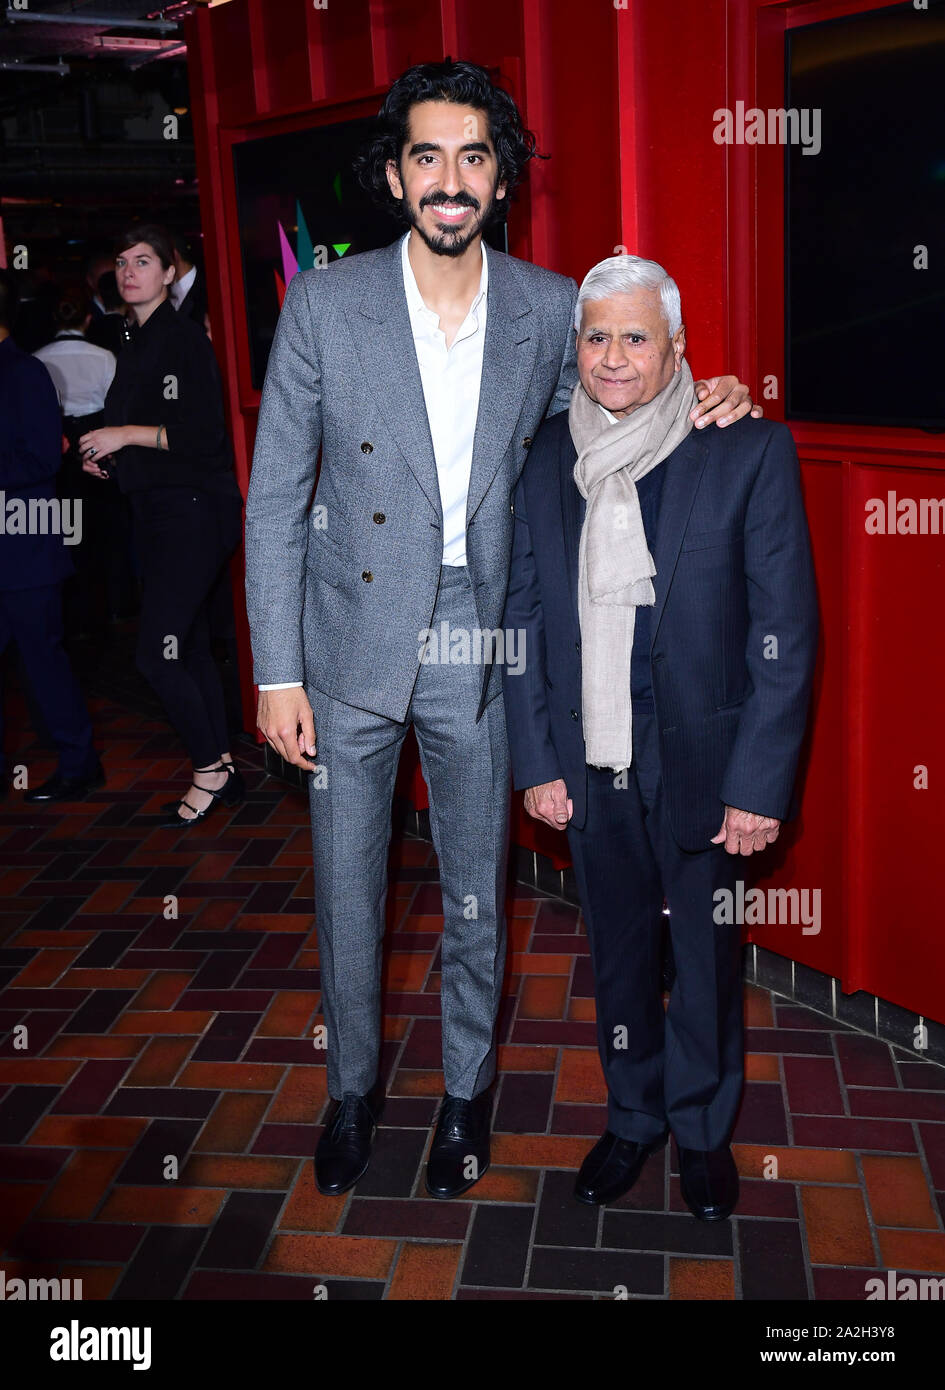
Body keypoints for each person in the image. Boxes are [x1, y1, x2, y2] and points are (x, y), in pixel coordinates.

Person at [244, 58, 759, 1202]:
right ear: (395, 175)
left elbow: (623, 399)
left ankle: (466, 1096)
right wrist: (277, 670)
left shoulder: (547, 305)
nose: (450, 179)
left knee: (478, 886)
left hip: (480, 644)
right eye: (427, 156)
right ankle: (353, 1090)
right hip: (347, 642)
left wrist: (715, 394)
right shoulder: (326, 303)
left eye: (473, 157)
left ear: (499, 179)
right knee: (348, 888)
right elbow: (277, 495)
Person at [502, 254, 818, 1220]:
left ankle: (702, 1128)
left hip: (706, 763)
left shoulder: (742, 448)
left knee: (709, 961)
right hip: (587, 760)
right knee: (621, 953)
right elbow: (519, 618)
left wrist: (759, 785)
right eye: (595, 336)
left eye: (635, 336)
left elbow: (785, 634)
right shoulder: (546, 454)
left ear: (674, 346)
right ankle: (633, 1117)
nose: (612, 357)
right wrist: (537, 761)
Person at [78, 224, 245, 827]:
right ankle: (222, 760)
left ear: (170, 272)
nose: (129, 271)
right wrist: (113, 455)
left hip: (193, 510)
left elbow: (203, 435)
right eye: (121, 261)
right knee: (189, 641)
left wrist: (123, 435)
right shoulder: (137, 338)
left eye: (144, 261)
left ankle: (207, 767)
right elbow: (155, 430)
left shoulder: (177, 338)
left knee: (156, 652)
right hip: (159, 508)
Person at [0, 269, 104, 803]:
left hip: (25, 547)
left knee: (42, 663)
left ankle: (78, 764)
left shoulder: (23, 373)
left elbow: (42, 457)